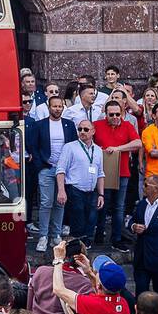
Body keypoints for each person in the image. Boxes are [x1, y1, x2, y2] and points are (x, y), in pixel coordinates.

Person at [25, 94, 77, 253]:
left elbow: (73, 145)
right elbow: (33, 146)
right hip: (46, 168)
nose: (57, 109)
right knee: (46, 202)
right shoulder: (39, 125)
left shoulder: (69, 125)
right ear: (49, 107)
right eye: (54, 106)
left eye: (60, 106)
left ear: (63, 107)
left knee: (60, 202)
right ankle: (43, 236)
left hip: (64, 170)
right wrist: (41, 164)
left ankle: (56, 234)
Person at [92, 100, 141, 249]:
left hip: (122, 172)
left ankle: (116, 239)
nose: (114, 117)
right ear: (105, 114)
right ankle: (99, 235)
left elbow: (138, 143)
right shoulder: (97, 125)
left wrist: (118, 148)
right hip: (102, 172)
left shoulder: (127, 125)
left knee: (119, 207)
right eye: (111, 114)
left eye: (117, 114)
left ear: (122, 113)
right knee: (102, 205)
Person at [54, 120, 104, 246]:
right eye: (80, 129)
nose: (82, 132)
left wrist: (101, 195)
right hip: (75, 189)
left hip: (91, 191)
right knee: (78, 222)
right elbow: (60, 170)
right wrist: (61, 190)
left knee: (91, 220)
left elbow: (100, 173)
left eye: (86, 129)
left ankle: (84, 248)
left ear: (93, 131)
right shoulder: (69, 147)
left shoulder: (97, 150)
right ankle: (76, 249)